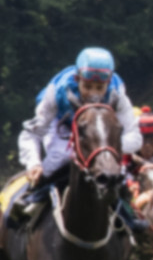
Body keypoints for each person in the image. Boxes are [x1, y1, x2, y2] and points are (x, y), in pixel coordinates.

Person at [9, 46, 143, 230]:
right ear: (77, 79)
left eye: (99, 87)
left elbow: (135, 139)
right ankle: (29, 199)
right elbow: (32, 132)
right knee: (59, 157)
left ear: (109, 82)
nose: (93, 93)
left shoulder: (118, 94)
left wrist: (103, 148)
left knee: (112, 168)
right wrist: (33, 163)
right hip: (61, 127)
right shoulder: (57, 91)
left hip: (98, 137)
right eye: (87, 86)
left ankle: (128, 211)